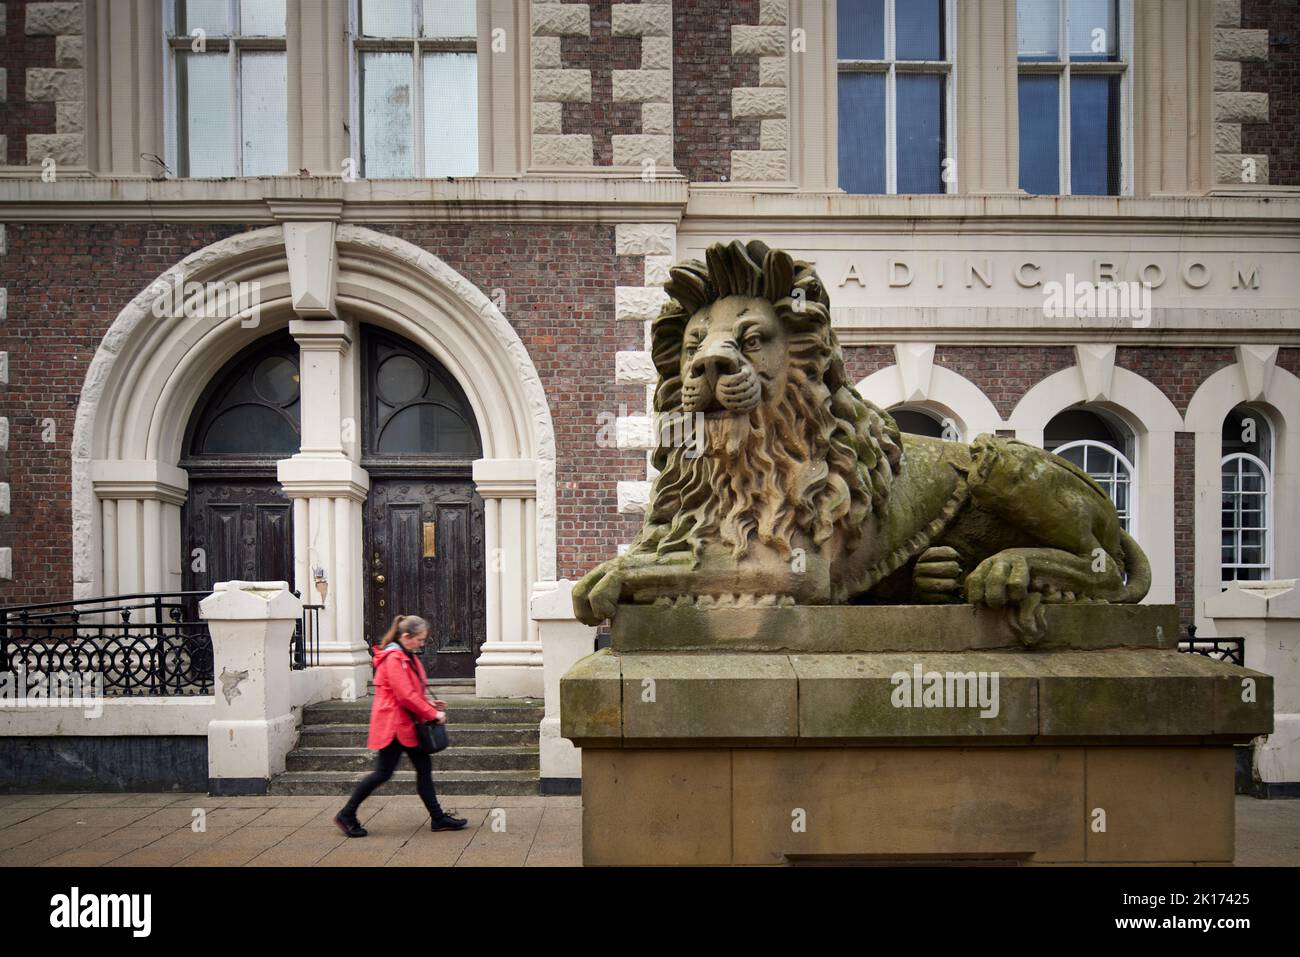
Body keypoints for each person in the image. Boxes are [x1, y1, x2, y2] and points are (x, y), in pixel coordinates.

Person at [334, 614, 468, 837]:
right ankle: (346, 814)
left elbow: (411, 692)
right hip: (394, 726)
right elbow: (404, 695)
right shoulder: (393, 659)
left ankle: (438, 818)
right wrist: (433, 713)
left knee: (422, 769)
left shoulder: (406, 656)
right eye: (420, 639)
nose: (422, 644)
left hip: (407, 724)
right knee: (383, 773)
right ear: (406, 636)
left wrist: (428, 703)